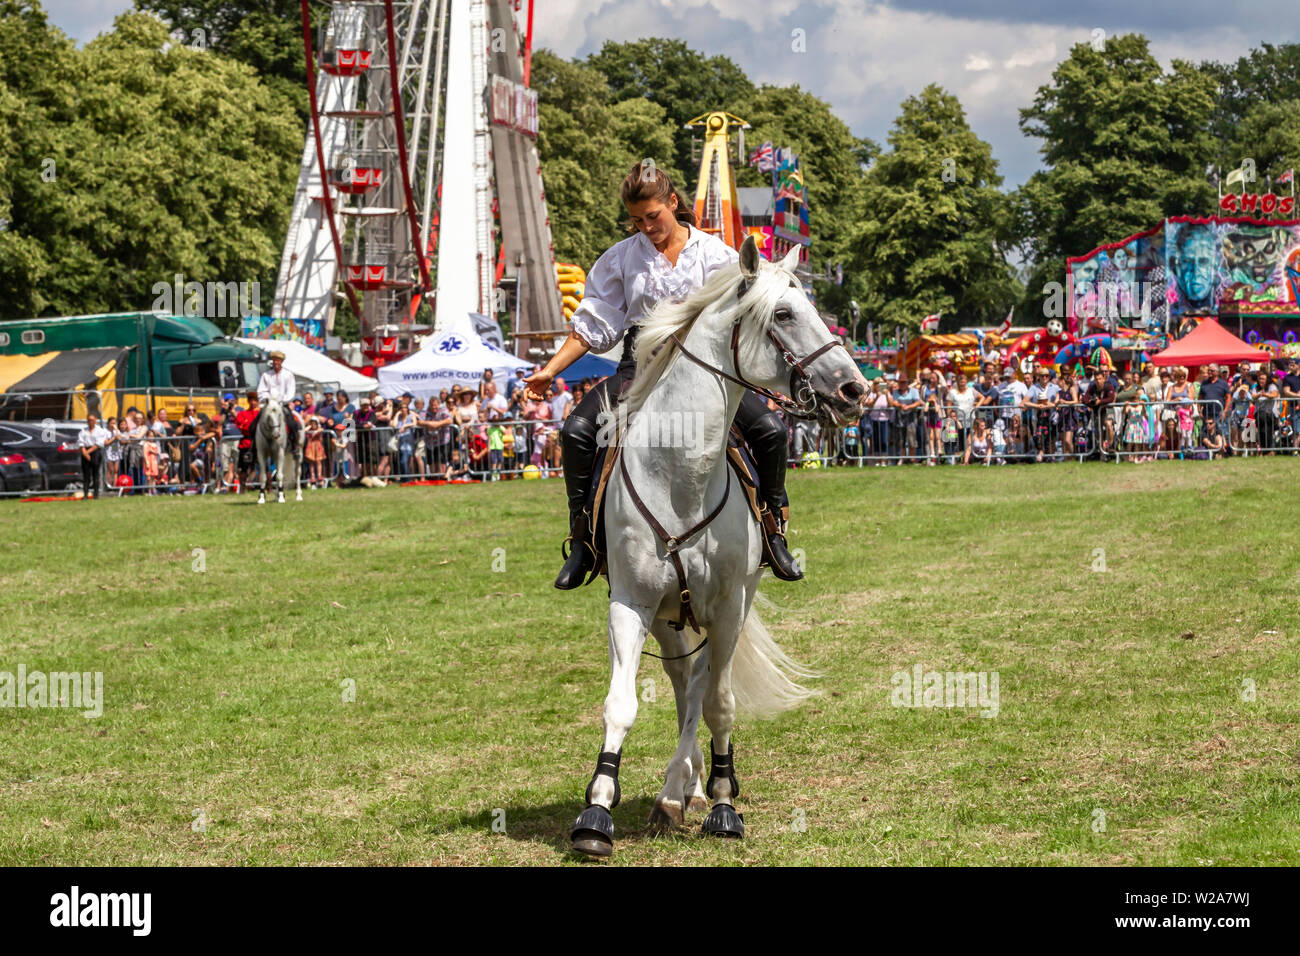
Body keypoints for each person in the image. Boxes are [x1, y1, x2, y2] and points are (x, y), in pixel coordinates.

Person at [525, 160, 804, 587]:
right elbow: (591, 326)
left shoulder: (716, 254)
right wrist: (549, 371)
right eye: (636, 220)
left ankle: (772, 532)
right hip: (640, 365)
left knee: (769, 430)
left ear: (673, 203)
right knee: (576, 432)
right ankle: (583, 542)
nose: (646, 227)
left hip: (708, 368)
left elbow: (748, 306)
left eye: (653, 216)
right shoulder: (618, 259)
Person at [76, 413, 111, 499]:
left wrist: (87, 452)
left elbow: (99, 443)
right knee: (86, 475)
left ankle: (96, 495)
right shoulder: (83, 430)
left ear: (95, 420)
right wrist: (84, 453)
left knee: (96, 474)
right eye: (89, 420)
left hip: (95, 452)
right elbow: (81, 442)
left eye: (92, 420)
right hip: (85, 451)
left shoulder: (100, 431)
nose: (90, 421)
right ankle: (86, 495)